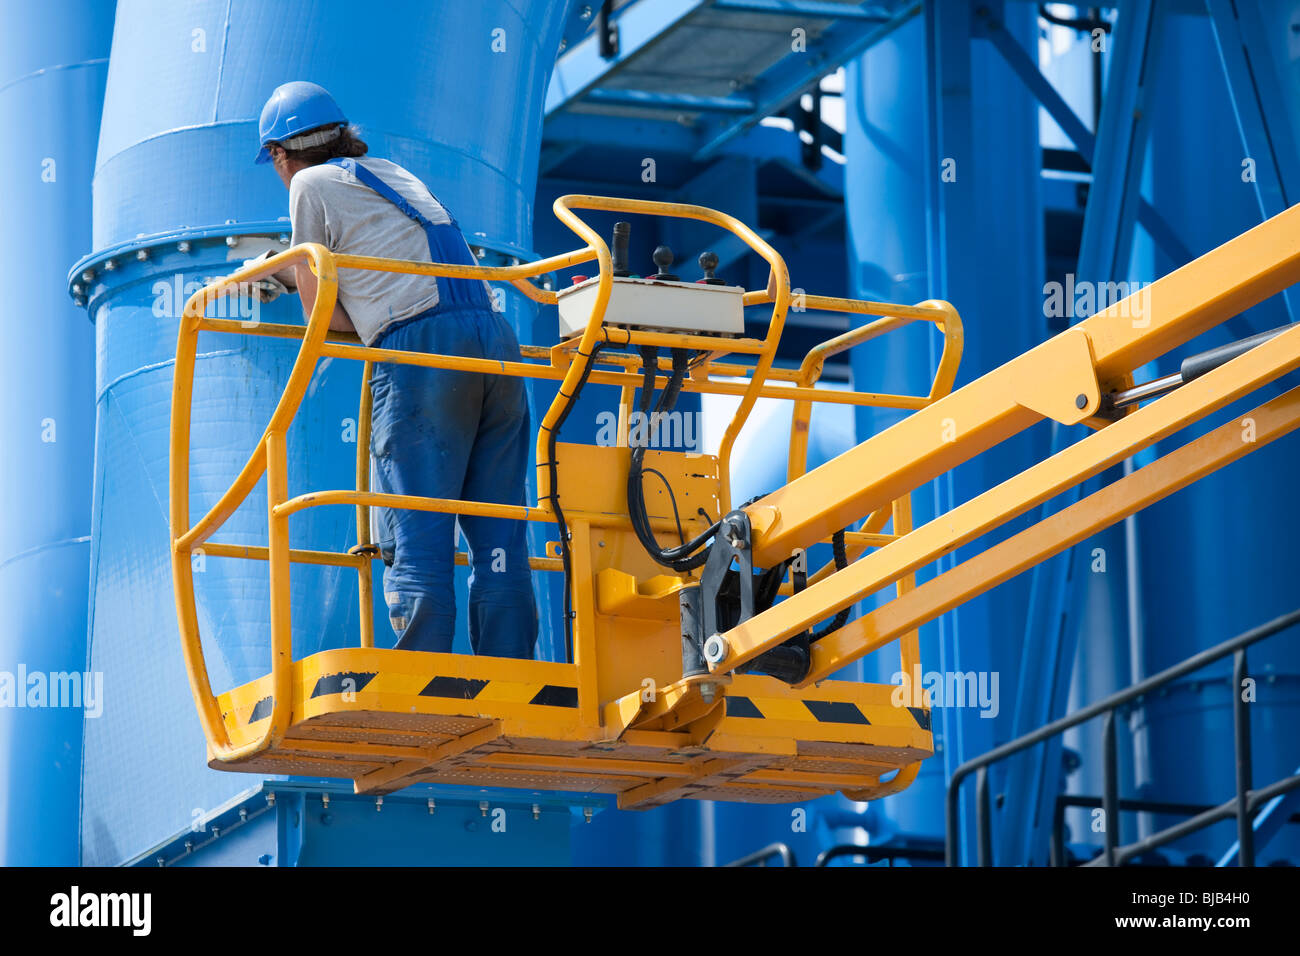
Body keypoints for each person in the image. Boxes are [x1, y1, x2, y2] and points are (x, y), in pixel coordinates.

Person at [255, 80, 538, 658]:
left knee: (417, 533)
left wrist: (281, 271)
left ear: (282, 155)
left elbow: (322, 317)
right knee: (501, 533)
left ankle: (424, 683)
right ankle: (512, 676)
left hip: (423, 353)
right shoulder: (393, 175)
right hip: (495, 339)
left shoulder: (308, 185)